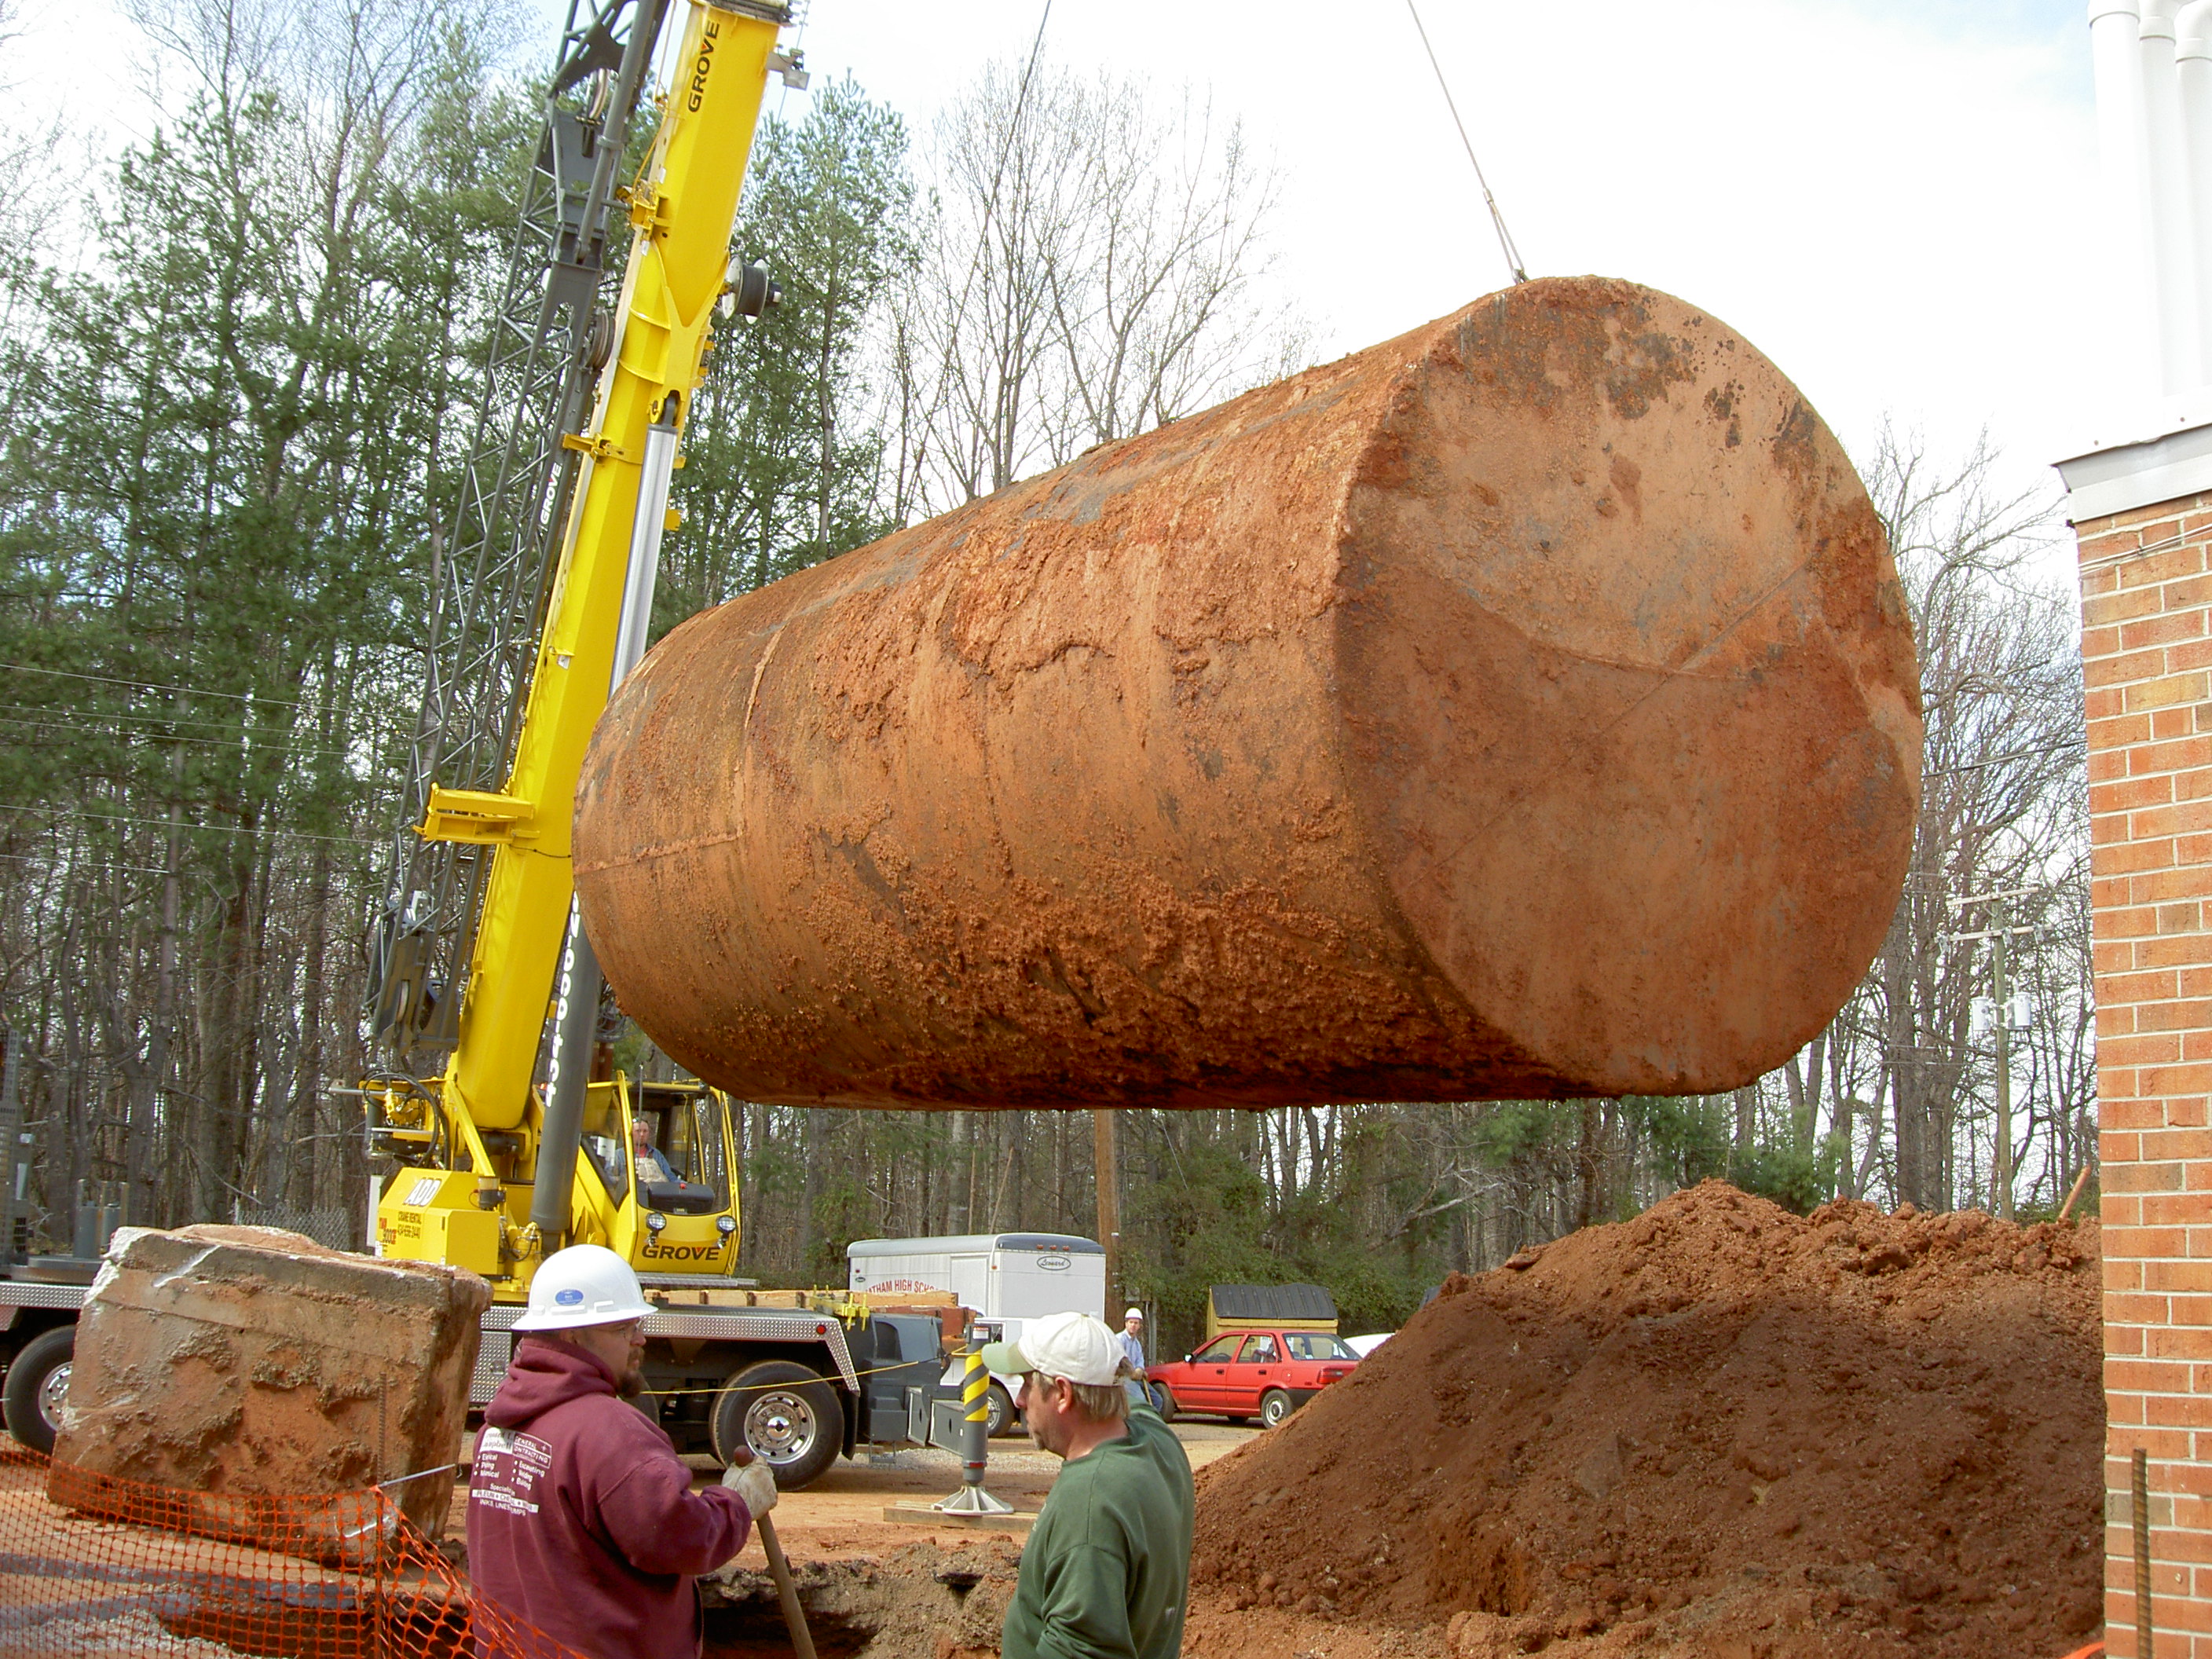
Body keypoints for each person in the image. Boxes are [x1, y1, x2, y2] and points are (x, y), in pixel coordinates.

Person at [467, 1244, 779, 1659]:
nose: (640, 1339)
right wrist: (738, 1502)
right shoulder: (611, 1434)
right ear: (572, 1334)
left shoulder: (496, 1429)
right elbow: (680, 1537)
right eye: (623, 1328)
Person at [981, 1310, 1195, 1659]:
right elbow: (1134, 1402)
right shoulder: (1158, 1442)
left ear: (1063, 1393)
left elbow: (1080, 1650)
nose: (1019, 1400)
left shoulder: (1090, 1505)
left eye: (1027, 1383)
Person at [1115, 1307, 1149, 1409]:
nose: (1133, 1325)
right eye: (1131, 1322)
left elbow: (1140, 1360)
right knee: (1141, 1400)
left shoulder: (1137, 1343)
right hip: (1123, 1379)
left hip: (1136, 1378)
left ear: (1139, 1326)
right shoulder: (1120, 1339)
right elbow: (1120, 1361)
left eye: (1136, 1323)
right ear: (1126, 1323)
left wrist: (1140, 1369)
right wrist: (1131, 1372)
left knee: (1158, 1400)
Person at [632, 1116, 678, 1185]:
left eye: (645, 1131)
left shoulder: (656, 1154)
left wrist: (687, 1187)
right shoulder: (621, 1155)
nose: (642, 1134)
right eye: (638, 1131)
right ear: (631, 1133)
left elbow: (670, 1177)